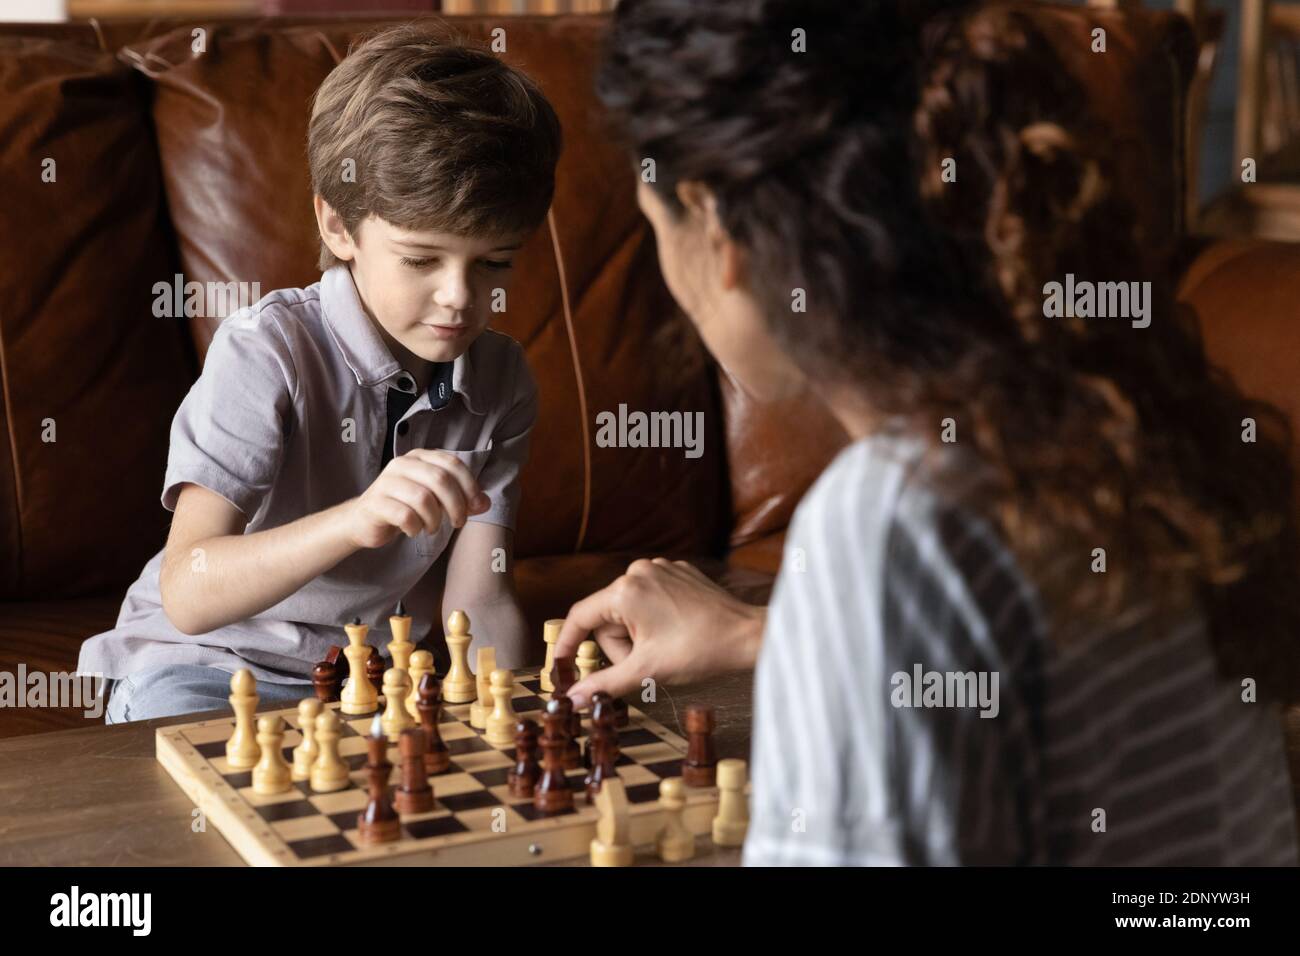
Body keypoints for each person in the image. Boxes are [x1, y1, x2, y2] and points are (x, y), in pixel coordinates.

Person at [557, 0, 1300, 865]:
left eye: (656, 231)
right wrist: (784, 634)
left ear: (716, 229)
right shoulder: (1110, 425)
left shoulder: (893, 522)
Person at [78, 24, 560, 723]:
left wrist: (517, 711)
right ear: (339, 228)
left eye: (494, 262)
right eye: (422, 259)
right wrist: (356, 519)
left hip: (371, 684)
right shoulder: (266, 351)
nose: (460, 296)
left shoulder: (502, 380)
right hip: (207, 667)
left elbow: (478, 596)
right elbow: (188, 589)